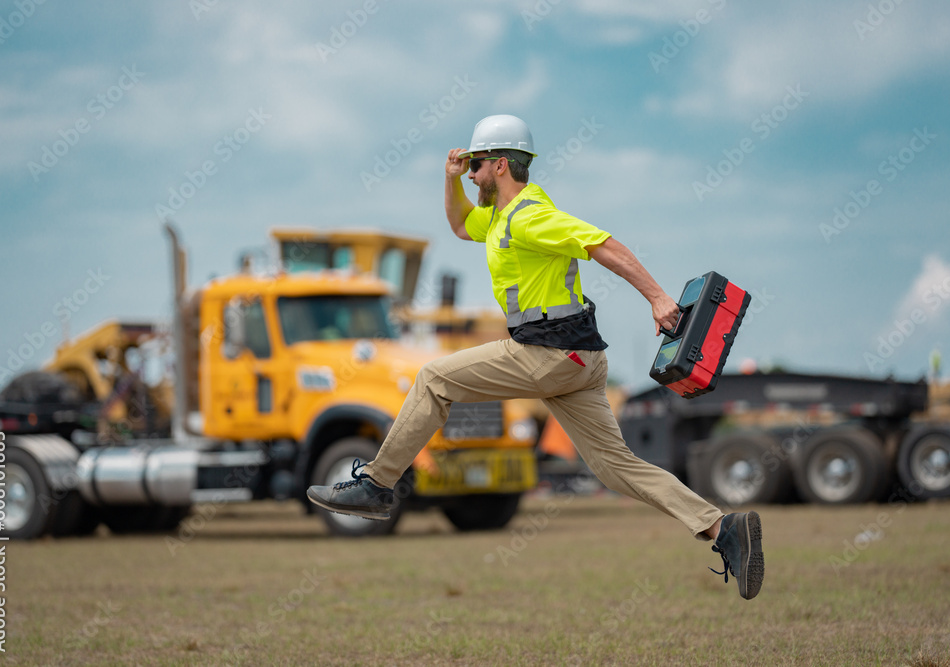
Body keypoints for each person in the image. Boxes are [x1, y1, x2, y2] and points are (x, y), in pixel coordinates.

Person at [308, 114, 764, 600]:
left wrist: (656, 297)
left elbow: (605, 245)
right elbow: (462, 225)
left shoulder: (530, 216)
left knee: (433, 378)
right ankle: (723, 528)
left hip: (548, 351)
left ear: (501, 165)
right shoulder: (501, 219)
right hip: (578, 361)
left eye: (477, 166)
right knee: (616, 468)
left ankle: (378, 486)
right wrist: (449, 179)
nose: (471, 174)